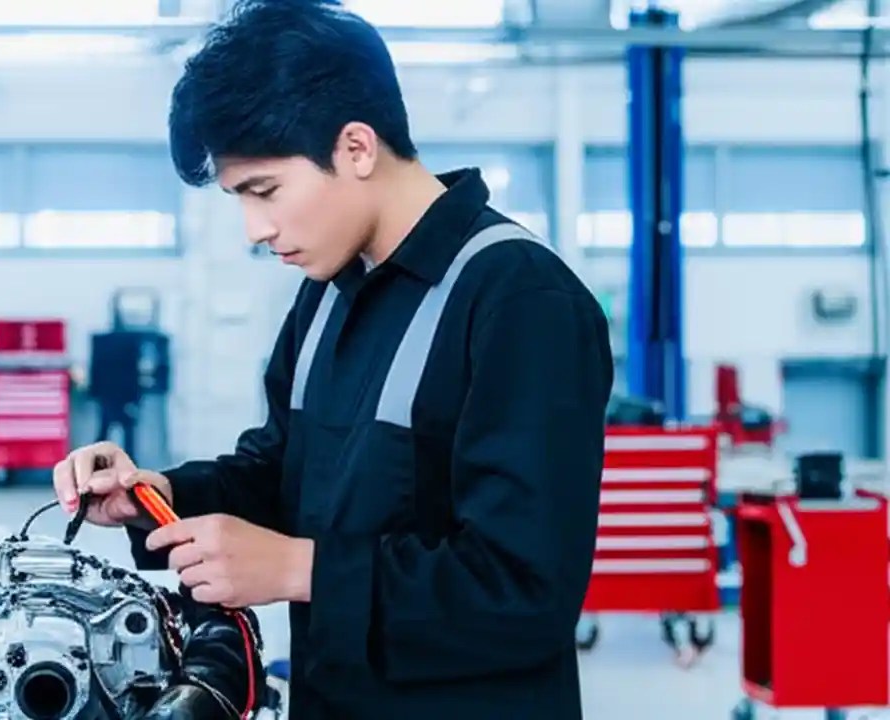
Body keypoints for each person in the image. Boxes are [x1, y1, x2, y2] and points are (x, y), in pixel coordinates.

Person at [52, 0, 614, 717]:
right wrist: (154, 498)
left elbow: (525, 590)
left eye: (265, 191)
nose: (257, 229)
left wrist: (297, 568)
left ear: (355, 147)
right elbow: (280, 475)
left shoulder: (521, 301)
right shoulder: (327, 293)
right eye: (239, 199)